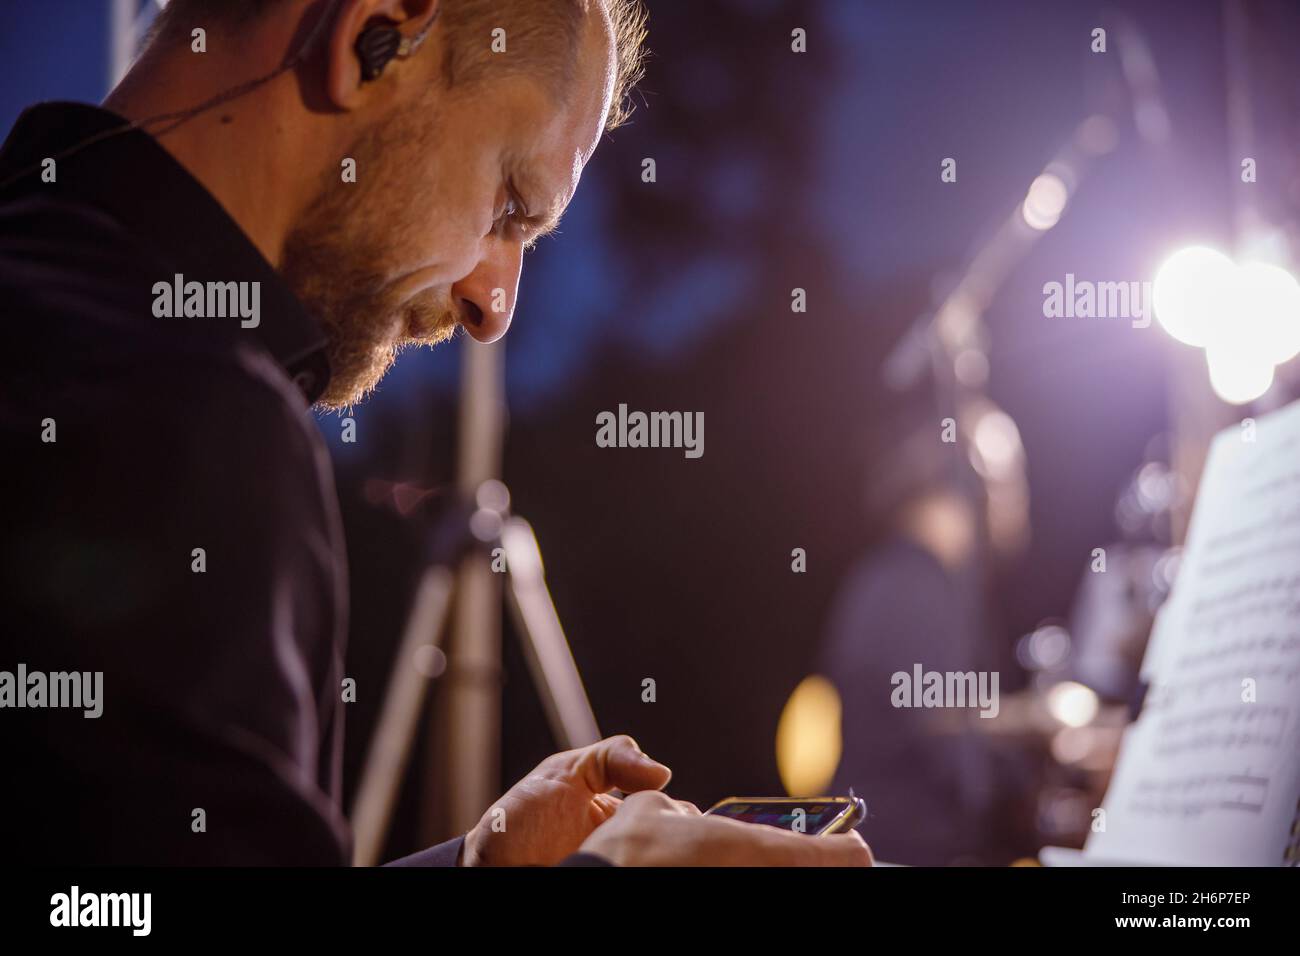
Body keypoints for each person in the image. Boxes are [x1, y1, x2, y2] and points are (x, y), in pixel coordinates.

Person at [0, 0, 871, 867]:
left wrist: (476, 867)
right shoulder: (190, 414)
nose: (494, 308)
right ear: (372, 38)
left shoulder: (74, 319)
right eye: (510, 204)